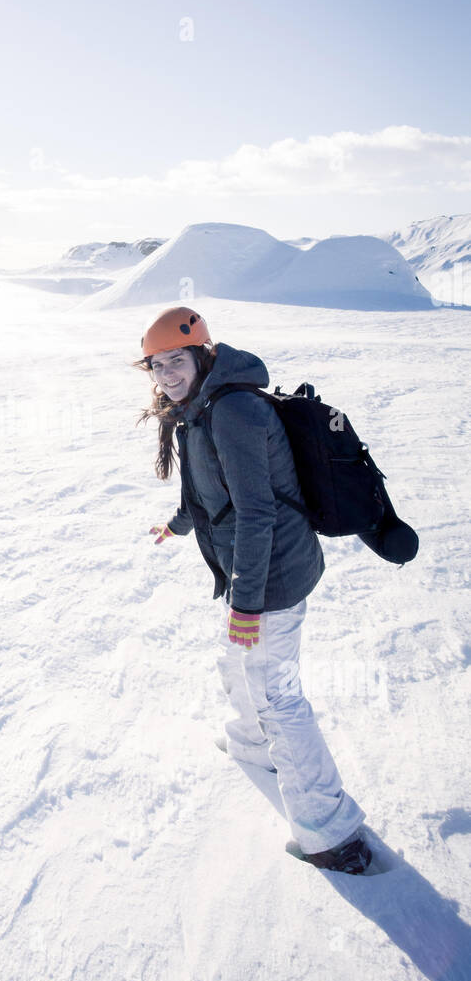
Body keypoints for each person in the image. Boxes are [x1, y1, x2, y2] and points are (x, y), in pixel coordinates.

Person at [134, 305, 372, 875]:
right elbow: (204, 493)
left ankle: (332, 834)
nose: (166, 373)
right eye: (156, 364)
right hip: (251, 570)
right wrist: (178, 526)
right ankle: (250, 746)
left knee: (277, 695)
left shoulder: (234, 409)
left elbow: (257, 513)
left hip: (273, 574)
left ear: (203, 353)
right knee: (236, 663)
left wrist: (245, 604)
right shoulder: (197, 409)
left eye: (176, 360)